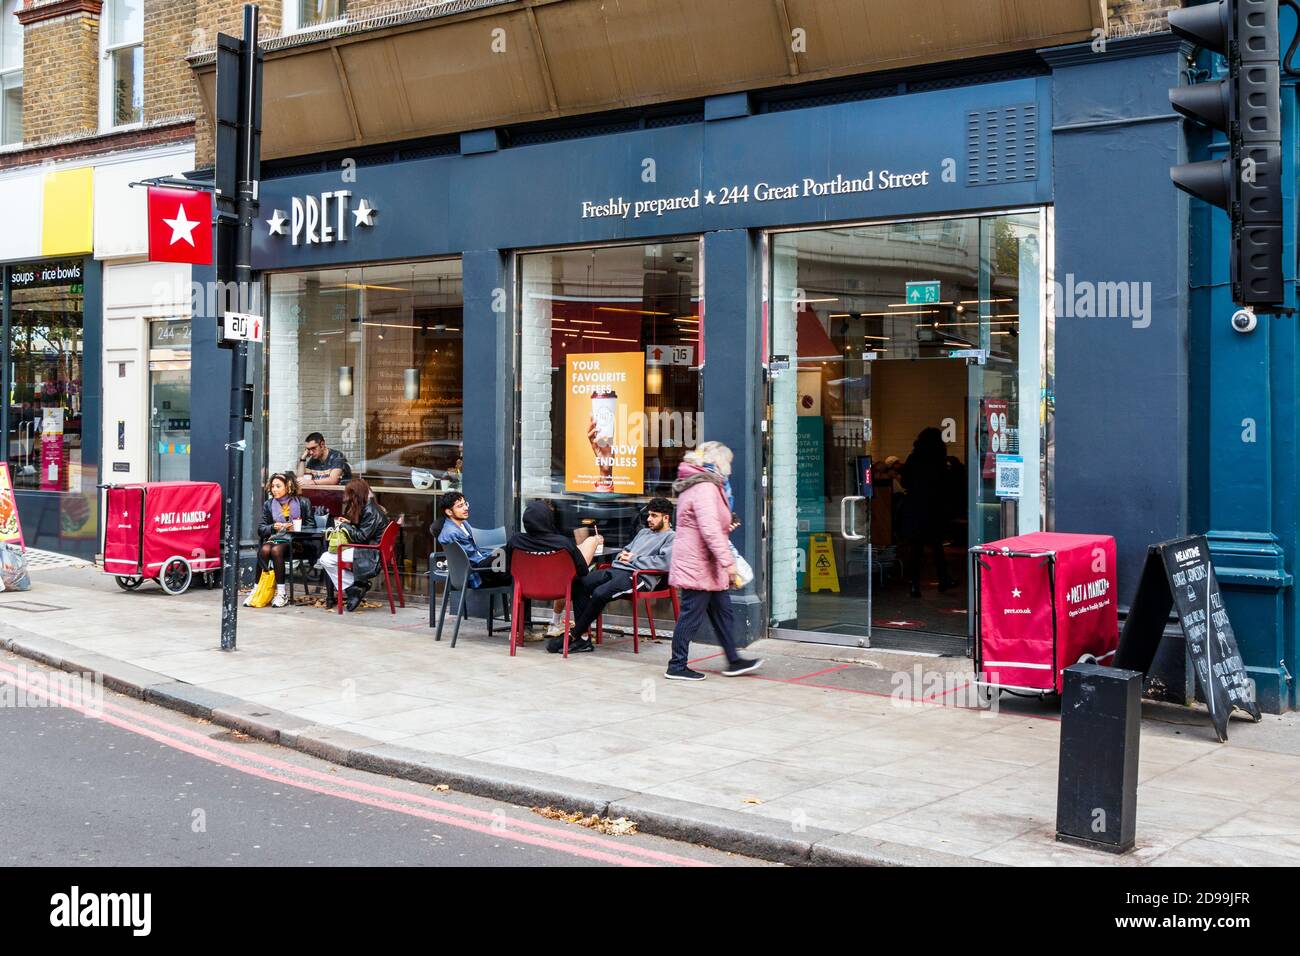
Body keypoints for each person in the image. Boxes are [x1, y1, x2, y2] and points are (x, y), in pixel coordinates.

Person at [665, 442, 762, 680]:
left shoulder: (706, 485)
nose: (730, 467)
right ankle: (676, 665)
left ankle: (734, 660)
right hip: (697, 563)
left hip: (706, 563)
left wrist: (726, 525)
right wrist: (728, 563)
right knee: (691, 614)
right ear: (716, 462)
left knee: (723, 613)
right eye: (727, 461)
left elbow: (706, 524)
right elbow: (708, 529)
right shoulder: (705, 487)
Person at [552, 497, 675, 654]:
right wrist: (623, 556)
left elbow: (664, 563)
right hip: (618, 569)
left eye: (654, 515)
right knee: (578, 584)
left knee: (599, 593)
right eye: (649, 515)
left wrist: (634, 558)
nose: (649, 519)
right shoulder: (644, 532)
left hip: (639, 577)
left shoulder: (671, 537)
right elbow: (627, 549)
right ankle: (582, 639)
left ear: (666, 517)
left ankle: (573, 635)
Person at [506, 499, 601, 651]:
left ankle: (518, 631)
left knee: (516, 581)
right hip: (561, 590)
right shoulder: (563, 543)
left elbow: (509, 568)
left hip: (527, 589)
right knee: (580, 585)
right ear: (549, 519)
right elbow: (582, 570)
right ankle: (582, 637)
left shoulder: (515, 541)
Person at [315, 477, 387, 611]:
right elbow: (365, 532)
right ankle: (355, 587)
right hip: (372, 550)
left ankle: (353, 587)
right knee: (329, 557)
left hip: (369, 553)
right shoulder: (371, 507)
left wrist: (344, 526)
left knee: (325, 558)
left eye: (348, 494)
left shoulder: (370, 511)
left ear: (355, 495)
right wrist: (349, 524)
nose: (346, 498)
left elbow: (360, 537)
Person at [901, 426, 955, 597]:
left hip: (915, 507)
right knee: (937, 546)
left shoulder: (913, 457)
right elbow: (947, 485)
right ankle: (943, 579)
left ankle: (914, 585)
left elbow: (904, 481)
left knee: (915, 549)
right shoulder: (940, 460)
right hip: (935, 508)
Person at [248, 472, 311, 609]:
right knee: (264, 549)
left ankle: (282, 593)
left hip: (297, 542)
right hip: (277, 538)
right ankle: (256, 590)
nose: (274, 489)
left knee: (275, 550)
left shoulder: (303, 502)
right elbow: (261, 529)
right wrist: (273, 527)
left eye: (278, 486)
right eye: (272, 486)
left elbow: (311, 526)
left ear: (288, 487)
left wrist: (295, 527)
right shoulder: (269, 504)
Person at [434, 491, 511, 589]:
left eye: (465, 504)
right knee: (509, 549)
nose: (466, 508)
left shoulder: (463, 524)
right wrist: (493, 556)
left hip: (479, 567)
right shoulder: (451, 532)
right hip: (476, 574)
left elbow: (475, 551)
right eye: (460, 506)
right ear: (449, 512)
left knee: (511, 566)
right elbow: (472, 559)